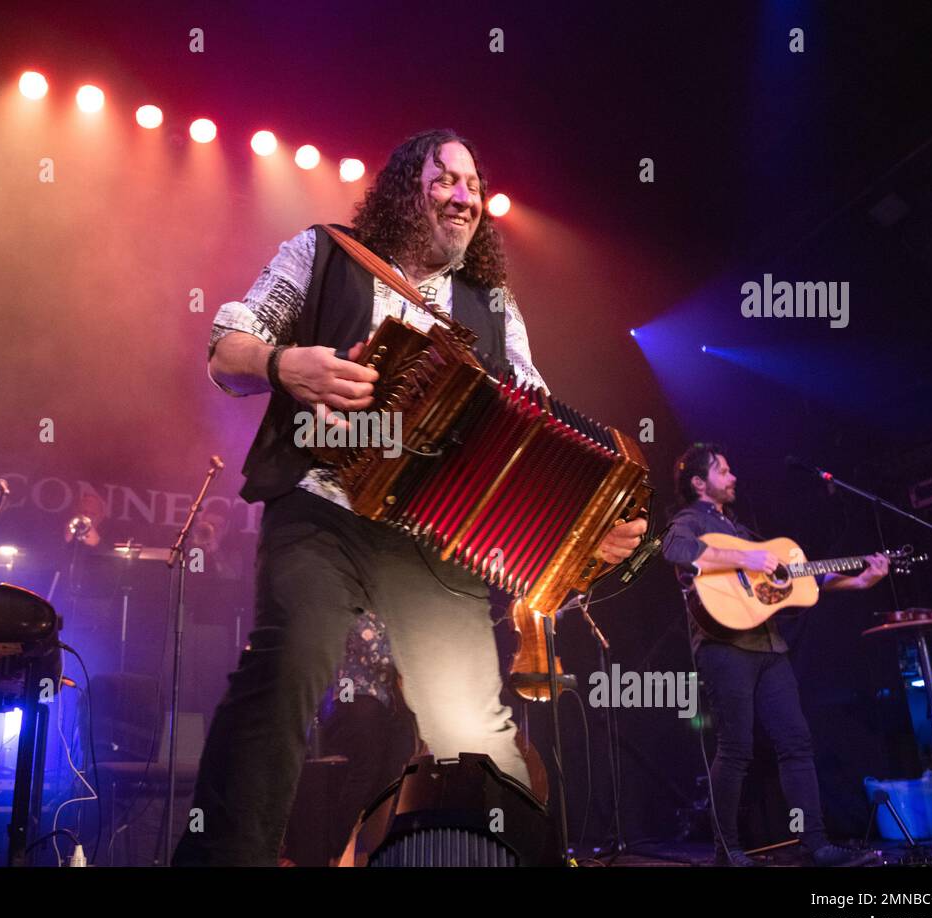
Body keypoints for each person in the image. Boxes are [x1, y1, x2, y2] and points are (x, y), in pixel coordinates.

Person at [174, 129, 646, 865]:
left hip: (434, 536)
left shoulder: (491, 304)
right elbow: (224, 347)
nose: (462, 197)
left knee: (477, 729)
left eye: (472, 186)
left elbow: (537, 426)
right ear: (405, 188)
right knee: (286, 667)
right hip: (323, 505)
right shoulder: (325, 251)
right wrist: (284, 363)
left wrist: (587, 530)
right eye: (444, 180)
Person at [660, 442, 888, 867]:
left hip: (770, 647)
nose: (733, 477)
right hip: (724, 648)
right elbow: (674, 551)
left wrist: (860, 582)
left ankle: (815, 844)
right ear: (698, 482)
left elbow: (800, 579)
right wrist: (747, 556)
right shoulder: (688, 521)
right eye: (723, 471)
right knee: (736, 749)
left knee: (797, 742)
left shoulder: (743, 529)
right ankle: (726, 850)